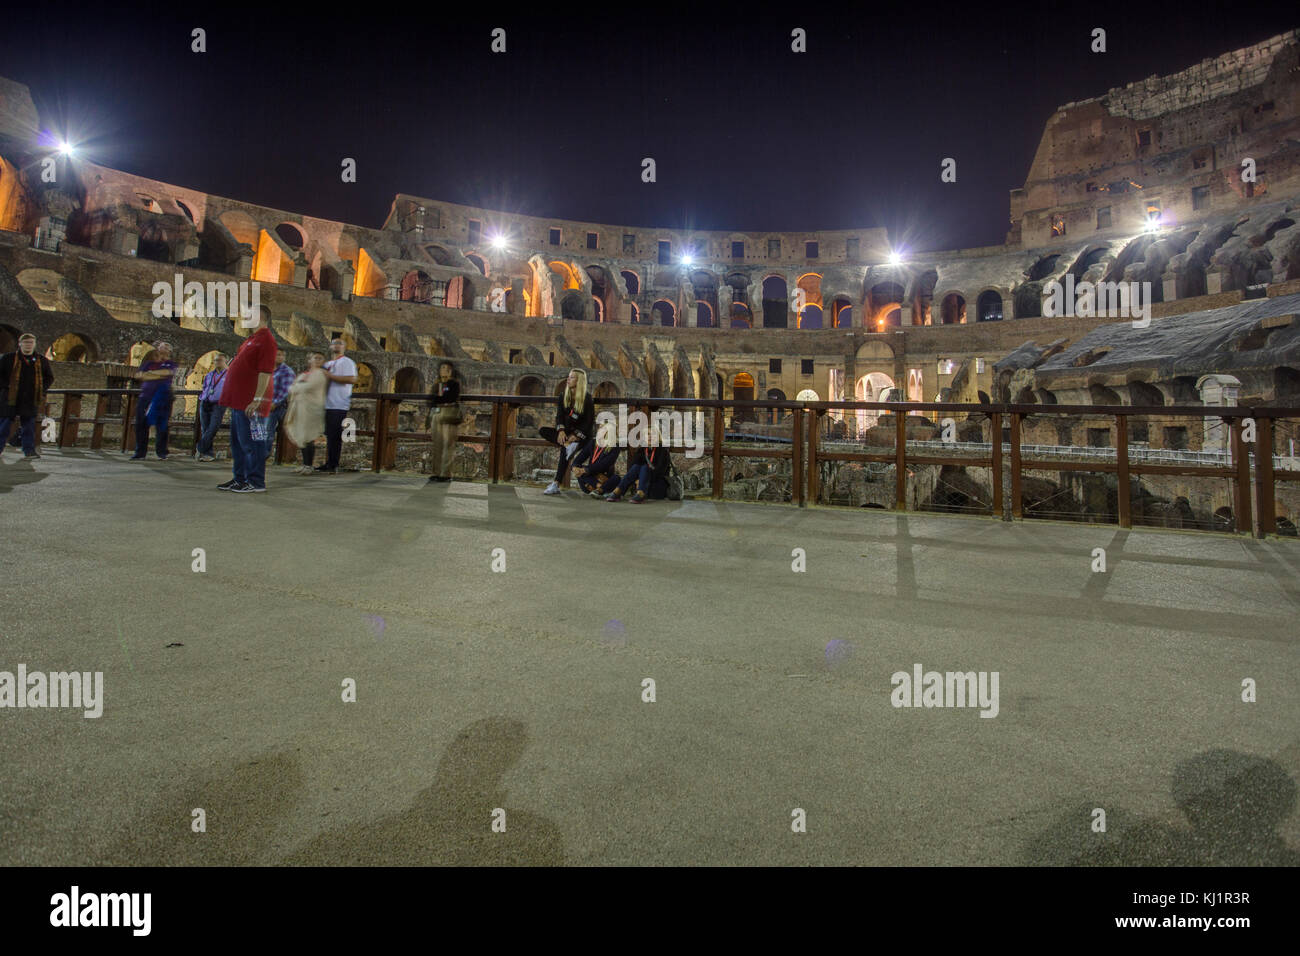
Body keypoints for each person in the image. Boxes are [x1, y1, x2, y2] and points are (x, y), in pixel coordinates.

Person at [217, 312, 276, 492]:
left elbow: (265, 372)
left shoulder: (266, 340)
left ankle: (256, 482)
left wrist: (257, 399)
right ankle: (239, 478)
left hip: (252, 404)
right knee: (238, 443)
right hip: (238, 402)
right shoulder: (251, 339)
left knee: (253, 443)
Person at [0, 333, 55, 461]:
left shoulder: (41, 360)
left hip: (30, 398)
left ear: (34, 344)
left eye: (31, 343)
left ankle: (29, 450)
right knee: (4, 425)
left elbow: (49, 377)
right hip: (10, 397)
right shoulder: (9, 358)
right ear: (20, 344)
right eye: (26, 343)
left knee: (28, 427)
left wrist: (41, 390)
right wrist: (6, 387)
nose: (28, 345)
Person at [540, 368, 594, 495]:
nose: (568, 379)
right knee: (543, 430)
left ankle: (556, 484)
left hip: (582, 436)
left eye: (572, 377)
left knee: (565, 451)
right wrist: (561, 431)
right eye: (568, 377)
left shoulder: (587, 399)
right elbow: (559, 416)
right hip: (566, 434)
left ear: (579, 381)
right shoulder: (563, 396)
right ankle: (567, 445)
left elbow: (588, 422)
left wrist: (575, 436)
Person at [130, 342, 177, 460]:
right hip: (145, 397)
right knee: (141, 424)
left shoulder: (170, 364)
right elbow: (139, 376)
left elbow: (168, 373)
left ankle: (161, 452)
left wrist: (149, 374)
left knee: (162, 425)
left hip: (162, 398)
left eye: (165, 347)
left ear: (169, 351)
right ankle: (140, 452)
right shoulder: (148, 363)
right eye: (161, 347)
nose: (162, 349)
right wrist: (157, 375)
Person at [318, 338, 357, 475]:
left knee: (334, 435)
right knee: (328, 434)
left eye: (340, 343)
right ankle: (328, 462)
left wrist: (330, 376)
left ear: (344, 347)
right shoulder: (327, 363)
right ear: (330, 346)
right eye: (334, 343)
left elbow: (352, 379)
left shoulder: (347, 362)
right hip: (325, 403)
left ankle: (334, 464)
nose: (336, 345)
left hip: (338, 403)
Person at [284, 353, 327, 474]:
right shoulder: (304, 374)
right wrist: (297, 387)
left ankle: (309, 465)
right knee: (302, 436)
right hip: (300, 408)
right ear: (310, 360)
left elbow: (307, 387)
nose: (318, 360)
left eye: (320, 358)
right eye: (316, 358)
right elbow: (291, 388)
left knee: (309, 437)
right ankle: (304, 463)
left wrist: (297, 387)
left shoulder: (320, 374)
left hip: (312, 409)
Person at [606, 425, 671, 503]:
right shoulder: (642, 449)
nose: (650, 436)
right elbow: (634, 467)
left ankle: (639, 493)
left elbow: (660, 471)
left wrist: (643, 478)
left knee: (645, 467)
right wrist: (639, 479)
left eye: (653, 434)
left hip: (657, 483)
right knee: (637, 466)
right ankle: (618, 491)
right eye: (647, 434)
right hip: (643, 483)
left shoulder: (663, 450)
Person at [426, 361, 462, 483]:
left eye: (444, 368)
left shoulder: (454, 384)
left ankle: (446, 473)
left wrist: (437, 399)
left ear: (450, 371)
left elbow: (450, 397)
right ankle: (436, 472)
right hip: (437, 414)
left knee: (448, 444)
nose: (442, 370)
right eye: (441, 368)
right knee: (437, 444)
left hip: (449, 413)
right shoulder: (437, 384)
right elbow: (431, 399)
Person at [264, 349, 297, 462]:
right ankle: (258, 453)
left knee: (268, 431)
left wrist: (275, 403)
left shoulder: (287, 371)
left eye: (283, 355)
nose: (280, 357)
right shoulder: (268, 369)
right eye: (278, 354)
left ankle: (263, 455)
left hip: (277, 406)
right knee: (260, 431)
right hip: (264, 404)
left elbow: (286, 390)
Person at [195, 354, 228, 461]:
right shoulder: (209, 375)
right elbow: (205, 387)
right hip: (205, 402)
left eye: (219, 360)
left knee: (213, 427)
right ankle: (208, 454)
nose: (217, 362)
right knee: (205, 427)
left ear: (225, 362)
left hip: (219, 404)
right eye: (215, 360)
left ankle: (200, 447)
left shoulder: (229, 375)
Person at [571, 429, 622, 498]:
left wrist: (586, 470)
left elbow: (604, 465)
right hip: (591, 478)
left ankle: (599, 490)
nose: (599, 431)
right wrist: (574, 468)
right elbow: (578, 459)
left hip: (603, 477)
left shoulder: (615, 447)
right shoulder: (593, 443)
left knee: (617, 478)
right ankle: (599, 487)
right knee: (579, 468)